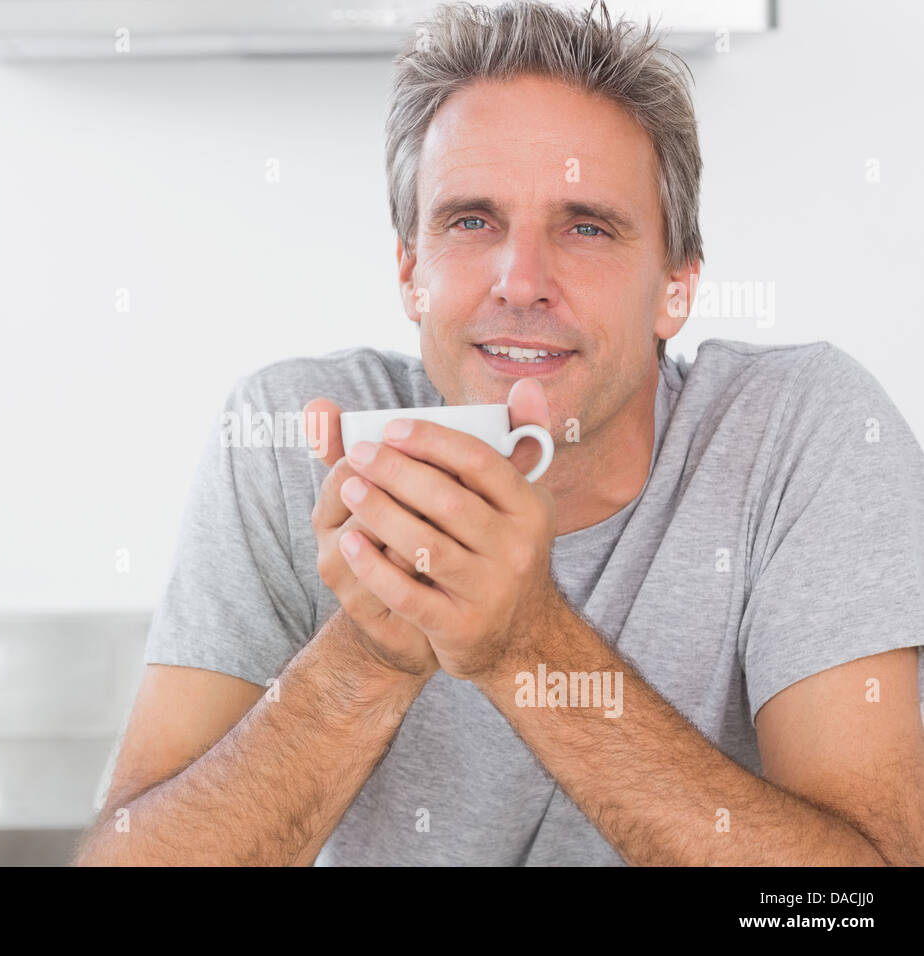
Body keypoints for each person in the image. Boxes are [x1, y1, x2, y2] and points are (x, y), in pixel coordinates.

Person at [75, 0, 924, 866]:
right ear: (412, 270)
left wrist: (527, 648)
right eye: (472, 221)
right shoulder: (291, 443)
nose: (521, 282)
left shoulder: (801, 435)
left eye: (586, 226)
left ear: (676, 284)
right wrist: (370, 649)